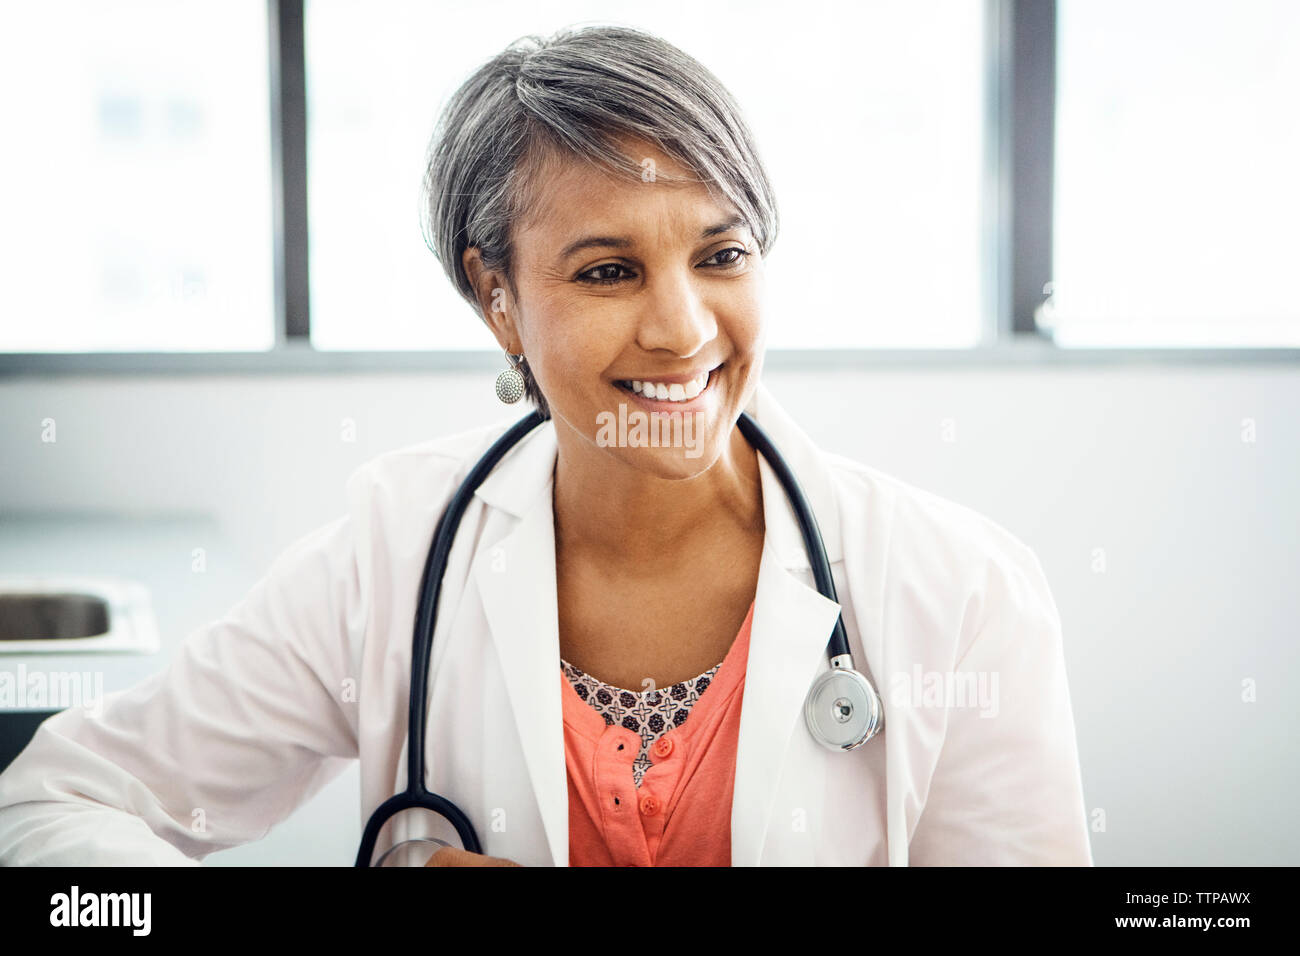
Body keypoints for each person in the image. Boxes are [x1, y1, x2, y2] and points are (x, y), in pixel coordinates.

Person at [0, 24, 1092, 867]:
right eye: (606, 270)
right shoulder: (394, 560)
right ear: (497, 299)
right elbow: (48, 802)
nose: (682, 327)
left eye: (722, 253)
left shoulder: (959, 591)